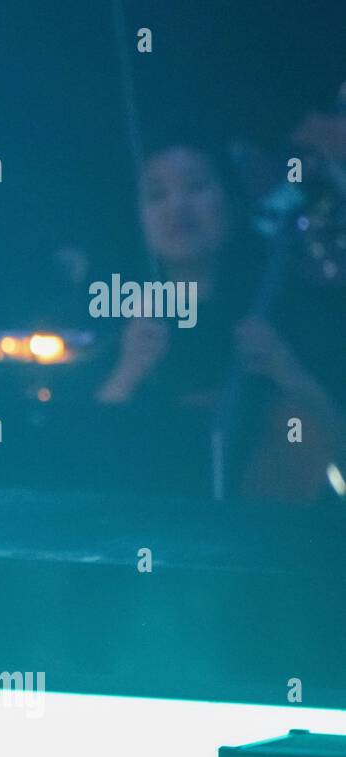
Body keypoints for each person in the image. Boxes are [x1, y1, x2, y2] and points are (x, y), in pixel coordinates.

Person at [96, 138, 346, 500]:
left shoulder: (286, 310)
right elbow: (76, 457)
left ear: (228, 202)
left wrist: (286, 369)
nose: (178, 206)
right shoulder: (116, 316)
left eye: (196, 187)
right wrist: (126, 373)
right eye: (156, 194)